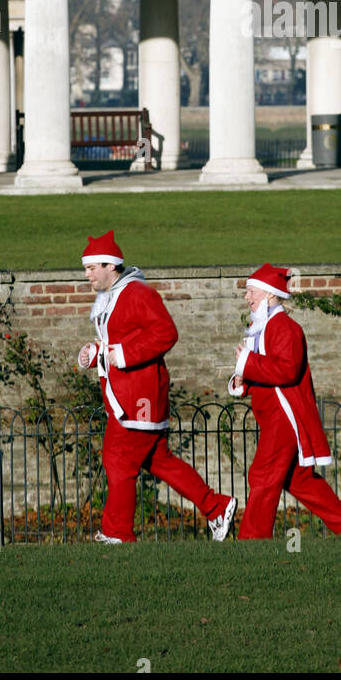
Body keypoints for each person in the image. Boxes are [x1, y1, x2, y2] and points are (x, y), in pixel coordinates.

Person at [78, 230, 237, 544]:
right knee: (159, 461)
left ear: (111, 266)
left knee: (118, 458)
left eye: (92, 268)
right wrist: (95, 352)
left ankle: (118, 533)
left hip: (140, 396)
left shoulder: (137, 294)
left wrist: (123, 355)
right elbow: (118, 341)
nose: (87, 275)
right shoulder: (113, 296)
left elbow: (166, 333)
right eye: (86, 268)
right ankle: (216, 506)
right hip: (127, 393)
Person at [228, 264, 341, 540]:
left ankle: (251, 541)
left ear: (269, 295)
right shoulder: (264, 326)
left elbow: (287, 370)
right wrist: (242, 381)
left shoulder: (285, 327)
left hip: (284, 417)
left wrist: (248, 363)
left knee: (263, 476)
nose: (247, 297)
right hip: (273, 415)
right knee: (298, 479)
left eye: (251, 291)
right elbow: (267, 371)